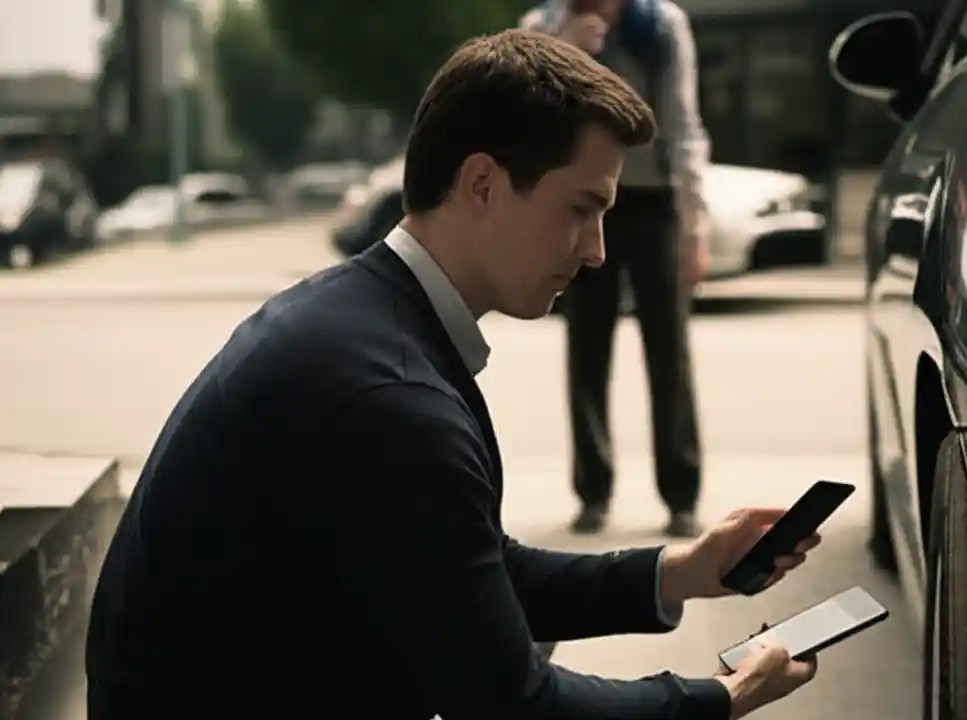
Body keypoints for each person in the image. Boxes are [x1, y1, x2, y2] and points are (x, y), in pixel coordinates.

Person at [85, 29, 818, 720]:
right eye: (581, 209)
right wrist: (722, 697)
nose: (597, 251)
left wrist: (680, 569)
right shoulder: (393, 397)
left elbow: (461, 569)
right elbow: (515, 706)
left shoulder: (361, 313)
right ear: (482, 185)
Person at [520, 0, 711, 538]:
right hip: (578, 203)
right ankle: (593, 491)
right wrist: (564, 52)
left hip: (654, 204)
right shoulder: (541, 29)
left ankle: (681, 495)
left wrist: (695, 222)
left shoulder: (660, 26)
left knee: (668, 350)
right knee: (586, 346)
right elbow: (524, 125)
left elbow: (683, 123)